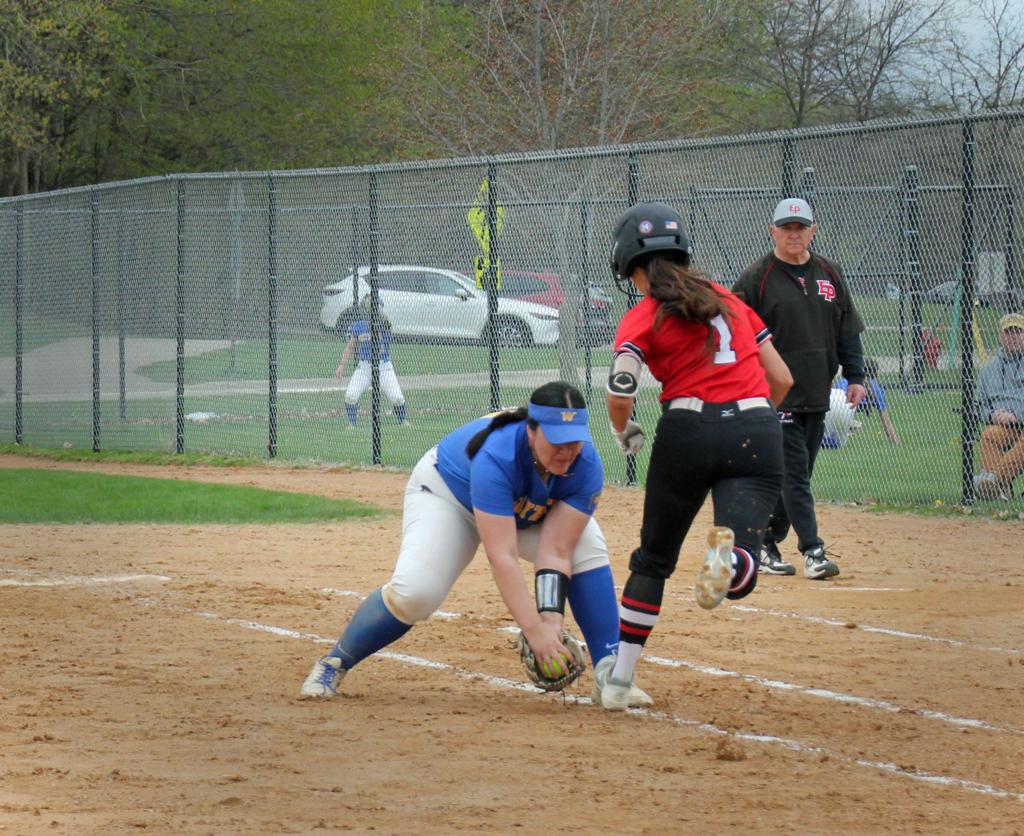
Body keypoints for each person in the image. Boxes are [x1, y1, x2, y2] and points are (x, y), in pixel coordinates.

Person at [299, 380, 652, 707]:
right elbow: (502, 556)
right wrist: (533, 631)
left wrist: (551, 624)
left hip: (523, 510)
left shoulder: (585, 463)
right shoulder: (497, 455)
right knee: (416, 593)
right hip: (450, 498)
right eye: (557, 440)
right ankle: (335, 661)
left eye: (574, 440)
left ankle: (609, 670)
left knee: (585, 546)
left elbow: (556, 551)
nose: (567, 450)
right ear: (531, 431)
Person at [598, 202, 792, 711]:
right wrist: (750, 420)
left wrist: (624, 431)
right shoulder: (731, 300)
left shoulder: (643, 313)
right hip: (756, 425)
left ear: (628, 265)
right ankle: (739, 561)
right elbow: (783, 379)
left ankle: (619, 681)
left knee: (654, 558)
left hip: (687, 427)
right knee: (742, 565)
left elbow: (621, 390)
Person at [733, 197, 866, 580]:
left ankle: (763, 542)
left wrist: (855, 376)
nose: (794, 234)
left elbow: (847, 330)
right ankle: (813, 551)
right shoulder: (757, 276)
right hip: (773, 395)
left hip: (816, 392)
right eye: (786, 228)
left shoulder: (829, 273)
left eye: (801, 227)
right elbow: (735, 332)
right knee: (795, 475)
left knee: (796, 473)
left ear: (813, 230)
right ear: (772, 231)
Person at [973, 312, 1024, 501]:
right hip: (1002, 426)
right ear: (1000, 336)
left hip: (1021, 421)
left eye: (1017, 332)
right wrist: (992, 415)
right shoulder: (988, 371)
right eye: (1008, 332)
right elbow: (980, 405)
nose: (1013, 337)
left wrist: (1016, 415)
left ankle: (993, 481)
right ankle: (996, 489)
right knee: (989, 435)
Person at [335, 301, 408, 427]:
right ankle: (352, 424)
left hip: (383, 367)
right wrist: (341, 365)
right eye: (370, 311)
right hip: (364, 368)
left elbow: (388, 322)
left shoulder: (384, 325)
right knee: (350, 396)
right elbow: (350, 347)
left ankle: (403, 422)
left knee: (397, 398)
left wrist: (380, 313)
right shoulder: (359, 326)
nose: (371, 314)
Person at [822, 358, 899, 448]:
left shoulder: (845, 381)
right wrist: (896, 441)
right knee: (838, 443)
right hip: (843, 408)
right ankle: (843, 431)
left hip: (832, 403)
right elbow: (886, 421)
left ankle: (824, 439)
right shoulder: (877, 389)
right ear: (875, 373)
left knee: (828, 433)